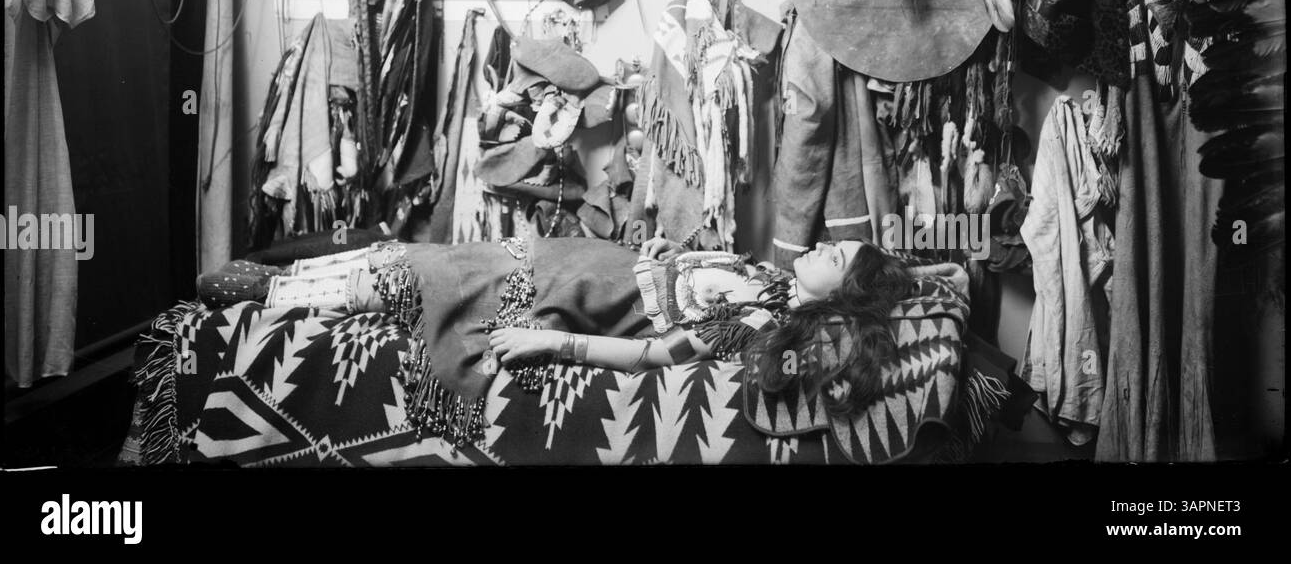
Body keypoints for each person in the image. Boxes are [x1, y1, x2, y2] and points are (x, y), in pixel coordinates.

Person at [198, 234, 968, 447]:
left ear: (842, 297)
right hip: (587, 260)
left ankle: (276, 290)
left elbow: (652, 356)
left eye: (843, 261)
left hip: (586, 294)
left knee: (434, 273)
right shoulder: (764, 275)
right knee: (420, 255)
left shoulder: (764, 323)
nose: (831, 249)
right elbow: (941, 277)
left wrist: (551, 346)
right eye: (841, 247)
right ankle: (289, 275)